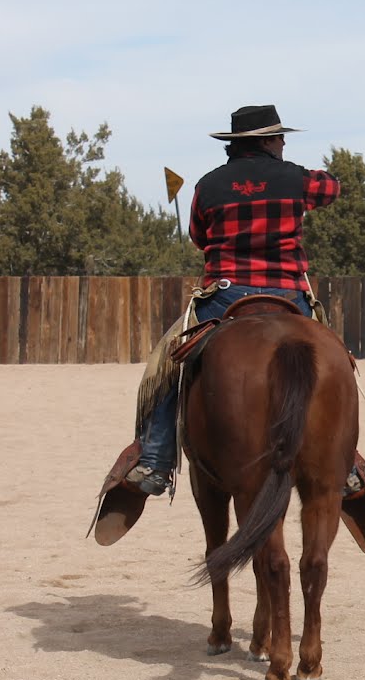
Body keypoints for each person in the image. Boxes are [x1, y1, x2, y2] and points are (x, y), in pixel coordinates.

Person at [125, 104, 341, 495]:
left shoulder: (208, 186)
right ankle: (346, 465)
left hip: (225, 296)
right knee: (336, 363)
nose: (284, 142)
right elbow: (332, 188)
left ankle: (155, 461)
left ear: (236, 144)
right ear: (269, 141)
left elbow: (199, 237)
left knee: (167, 363)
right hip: (290, 293)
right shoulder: (296, 178)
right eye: (280, 137)